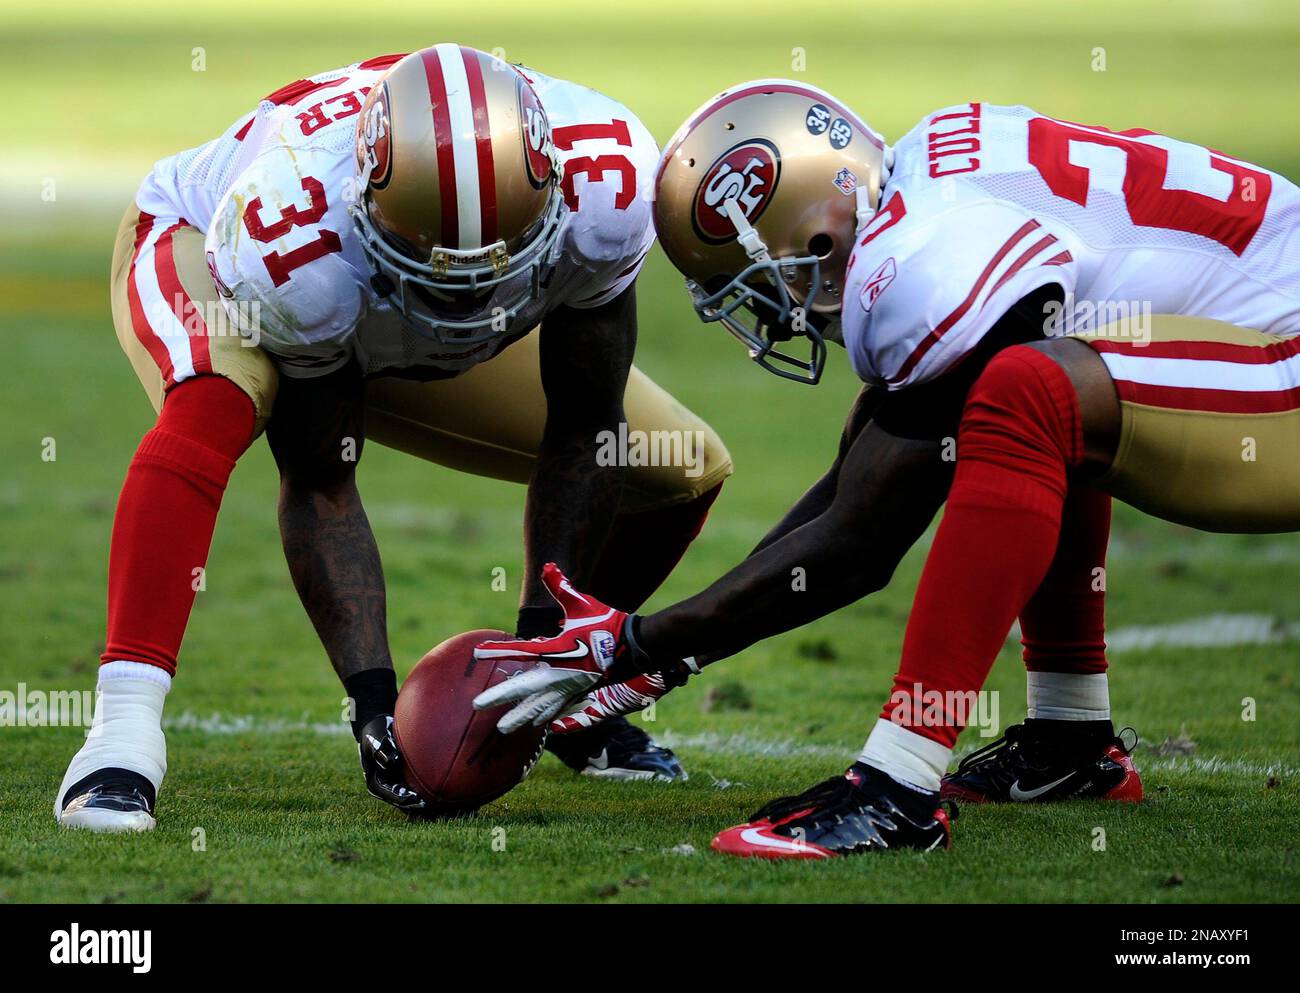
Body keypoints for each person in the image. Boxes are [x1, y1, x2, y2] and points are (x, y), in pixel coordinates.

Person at [471, 80, 1299, 857]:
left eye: (753, 285)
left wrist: (635, 643)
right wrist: (653, 658)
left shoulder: (922, 269)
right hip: (1259, 325)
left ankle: (895, 790)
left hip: (1283, 356)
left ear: (814, 231)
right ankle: (1070, 741)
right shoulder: (928, 177)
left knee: (1030, 393)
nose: (767, 314)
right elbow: (850, 484)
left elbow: (861, 543)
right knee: (1050, 372)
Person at [56, 46, 733, 833]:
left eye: (492, 263)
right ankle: (120, 737)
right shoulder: (292, 243)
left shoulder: (607, 184)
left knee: (681, 464)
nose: (468, 290)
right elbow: (321, 479)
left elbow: (586, 423)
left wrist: (543, 661)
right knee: (215, 397)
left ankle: (574, 710)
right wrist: (374, 702)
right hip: (217, 247)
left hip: (383, 287)